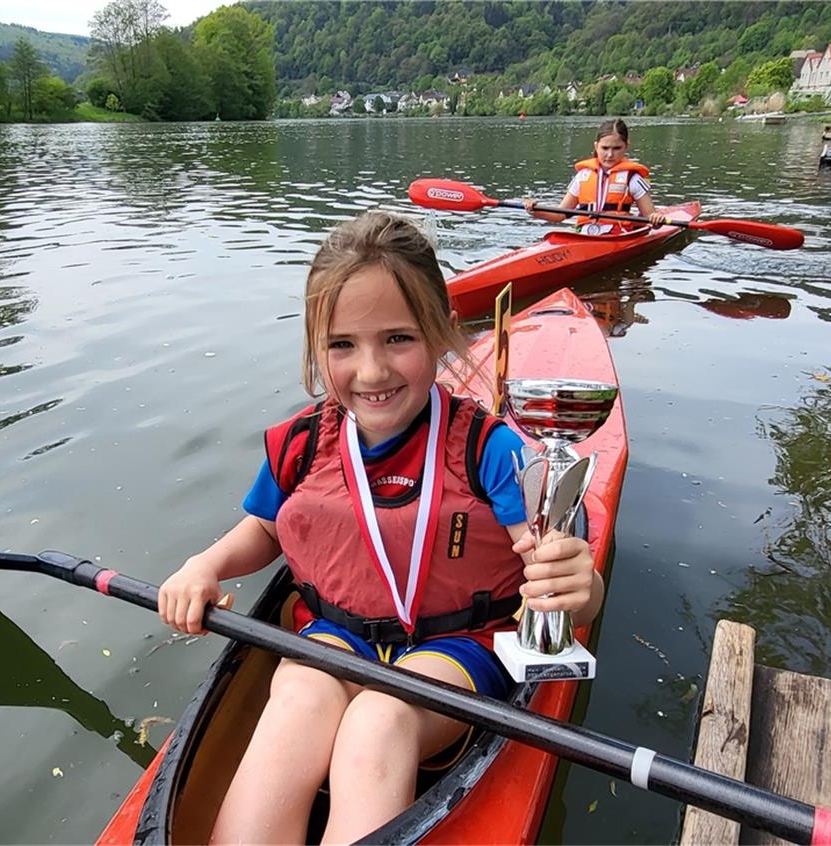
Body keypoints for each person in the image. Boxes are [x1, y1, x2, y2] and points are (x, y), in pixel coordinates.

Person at [158, 211, 604, 844]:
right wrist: (203, 566)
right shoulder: (299, 445)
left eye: (398, 338)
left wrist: (579, 589)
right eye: (343, 345)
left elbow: (559, 579)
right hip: (337, 634)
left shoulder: (492, 451)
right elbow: (264, 531)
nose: (371, 372)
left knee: (377, 721)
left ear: (444, 333)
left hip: (459, 646)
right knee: (294, 702)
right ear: (318, 350)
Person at [523, 118, 666, 233]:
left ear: (626, 146)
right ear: (596, 146)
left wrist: (656, 220)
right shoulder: (583, 176)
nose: (610, 154)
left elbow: (649, 217)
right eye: (605, 148)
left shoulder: (632, 178)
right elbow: (560, 215)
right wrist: (535, 210)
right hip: (584, 235)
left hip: (618, 236)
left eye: (617, 148)